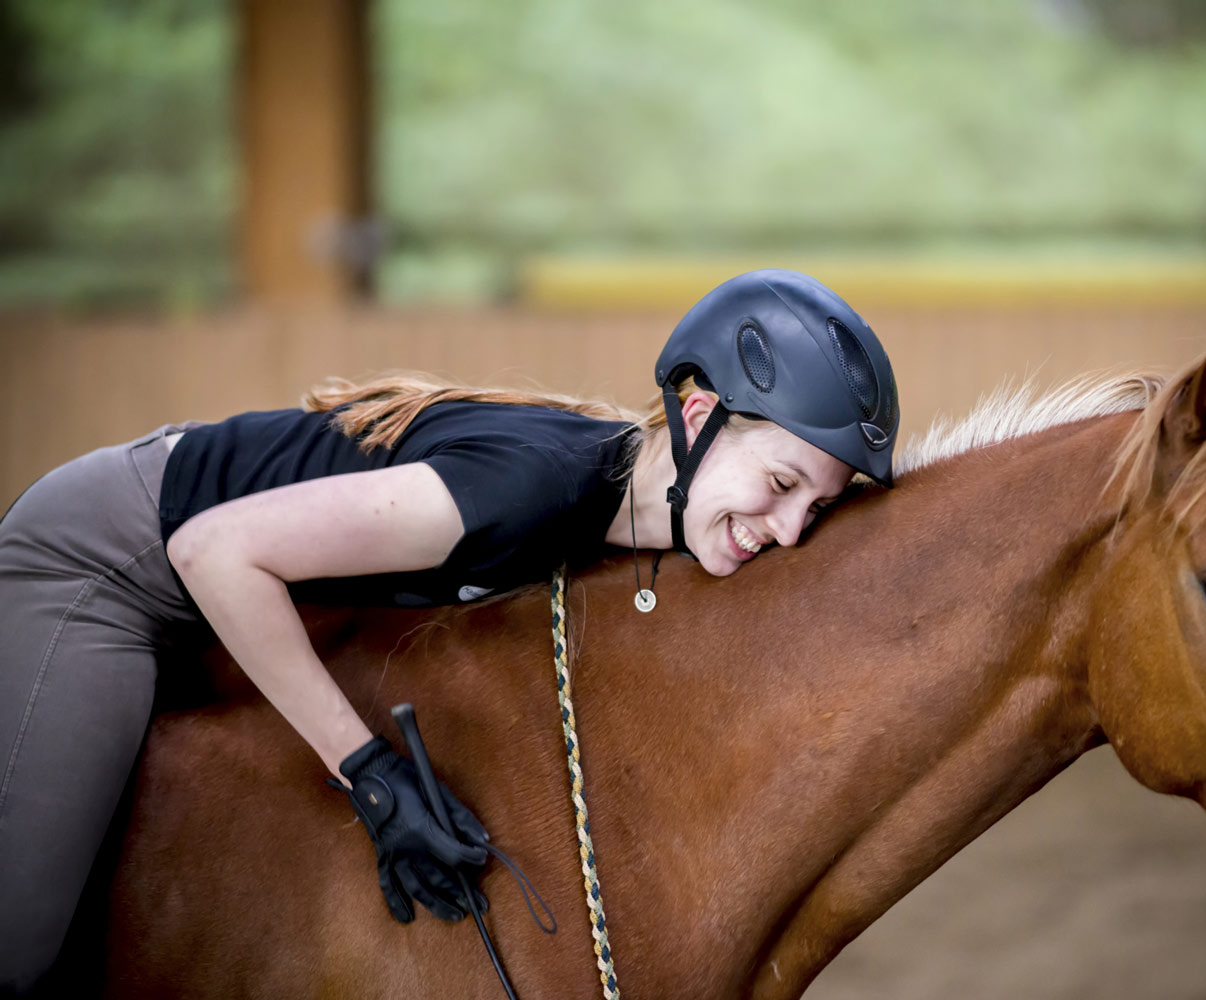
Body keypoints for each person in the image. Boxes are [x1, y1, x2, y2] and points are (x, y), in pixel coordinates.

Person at [0, 268, 900, 991]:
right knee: (22, 948)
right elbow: (215, 551)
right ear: (698, 418)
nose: (790, 531)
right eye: (781, 485)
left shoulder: (627, 502)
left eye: (816, 509)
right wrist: (367, 774)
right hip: (107, 564)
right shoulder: (534, 489)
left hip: (206, 572)